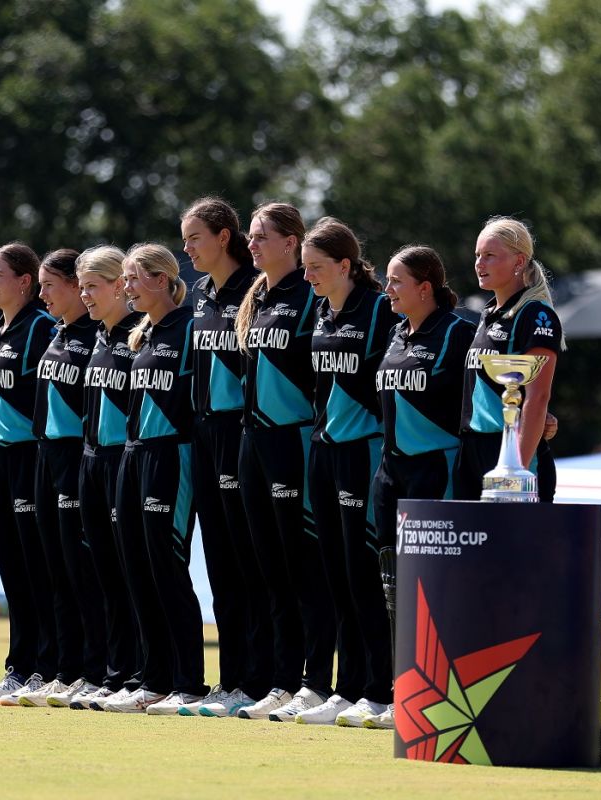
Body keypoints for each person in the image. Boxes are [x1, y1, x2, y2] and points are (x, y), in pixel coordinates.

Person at [233, 203, 336, 723]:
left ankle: (316, 684)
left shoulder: (309, 296)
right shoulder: (258, 298)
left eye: (260, 237)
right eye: (250, 236)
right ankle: (282, 681)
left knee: (304, 568)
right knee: (269, 568)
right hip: (253, 442)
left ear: (291, 242)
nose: (250, 245)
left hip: (295, 442)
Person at [297, 218, 400, 726]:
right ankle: (346, 688)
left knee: (363, 576)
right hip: (324, 450)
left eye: (316, 267)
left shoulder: (378, 308)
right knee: (334, 573)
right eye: (305, 268)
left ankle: (379, 689)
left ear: (345, 265)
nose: (308, 276)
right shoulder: (320, 309)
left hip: (364, 451)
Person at [369, 245, 474, 728]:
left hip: (437, 469)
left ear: (425, 287)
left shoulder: (457, 332)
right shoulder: (395, 333)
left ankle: (441, 695)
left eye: (396, 281)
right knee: (393, 584)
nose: (387, 289)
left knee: (435, 585)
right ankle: (403, 691)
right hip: (390, 473)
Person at [105, 243, 209, 714]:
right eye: (124, 279)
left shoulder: (188, 327)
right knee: (136, 569)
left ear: (162, 279)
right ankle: (153, 680)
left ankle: (188, 682)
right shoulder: (142, 333)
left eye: (133, 278)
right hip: (134, 455)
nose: (126, 287)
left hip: (172, 455)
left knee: (167, 568)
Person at [178, 197, 270, 718]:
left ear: (223, 237)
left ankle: (257, 679)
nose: (188, 248)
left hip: (242, 433)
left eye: (195, 238)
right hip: (204, 436)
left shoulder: (253, 290)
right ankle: (231, 678)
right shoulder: (200, 294)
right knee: (218, 563)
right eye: (185, 239)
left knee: (246, 560)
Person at [21, 249, 109, 708]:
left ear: (76, 286)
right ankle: (64, 669)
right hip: (47, 454)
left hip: (78, 455)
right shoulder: (57, 333)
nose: (42, 295)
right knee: (54, 569)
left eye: (49, 285)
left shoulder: (97, 334)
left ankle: (93, 670)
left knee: (81, 570)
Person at [0, 243, 57, 706]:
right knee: (11, 569)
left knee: (34, 568)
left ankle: (45, 667)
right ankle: (19, 668)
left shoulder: (40, 327)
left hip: (29, 458)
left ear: (25, 281)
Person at [74, 245, 144, 711]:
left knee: (129, 575)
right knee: (102, 576)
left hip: (125, 462)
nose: (85, 296)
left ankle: (139, 674)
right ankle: (113, 673)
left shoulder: (138, 336)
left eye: (92, 287)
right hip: (92, 461)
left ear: (119, 285)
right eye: (81, 288)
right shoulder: (98, 336)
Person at [456, 216, 562, 502]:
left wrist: (517, 472)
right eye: (477, 255)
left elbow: (538, 397)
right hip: (471, 451)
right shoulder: (488, 313)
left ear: (519, 261)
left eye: (489, 255)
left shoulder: (536, 314)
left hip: (511, 454)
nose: (479, 263)